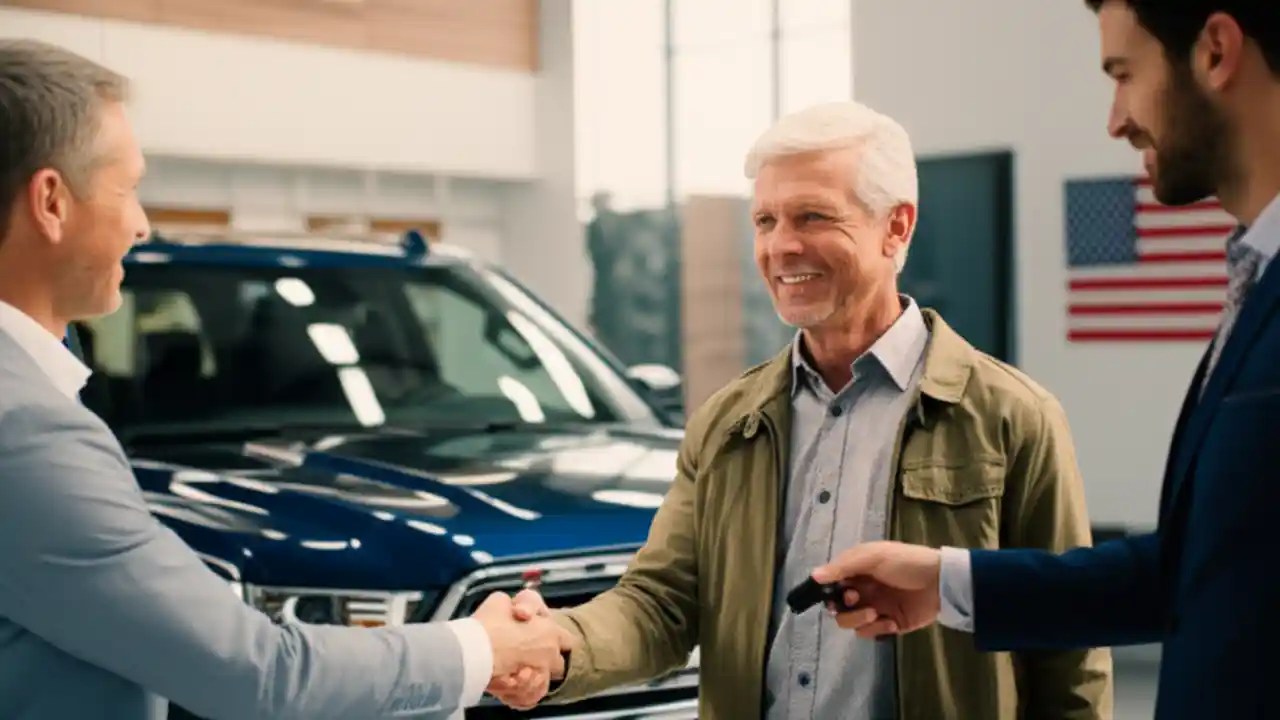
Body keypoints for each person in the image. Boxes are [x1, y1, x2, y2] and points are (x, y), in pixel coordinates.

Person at [0, 39, 572, 720]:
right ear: (52, 202)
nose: (141, 223)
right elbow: (257, 672)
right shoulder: (25, 430)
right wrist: (484, 647)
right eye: (128, 189)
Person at [489, 100, 1112, 719]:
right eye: (765, 221)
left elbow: (1067, 655)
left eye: (812, 216)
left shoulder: (1011, 418)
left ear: (896, 227)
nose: (781, 247)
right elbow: (663, 602)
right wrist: (560, 646)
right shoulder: (728, 422)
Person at [807, 3, 1280, 719]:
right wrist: (946, 581)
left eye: (1124, 74)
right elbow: (1192, 571)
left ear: (1216, 51)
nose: (1115, 119)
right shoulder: (1258, 279)